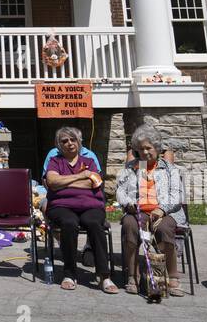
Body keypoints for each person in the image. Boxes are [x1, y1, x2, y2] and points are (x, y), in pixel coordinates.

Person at [44, 126, 118, 292]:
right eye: (64, 141)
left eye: (73, 140)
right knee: (69, 223)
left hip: (90, 205)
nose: (69, 143)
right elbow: (52, 183)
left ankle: (104, 276)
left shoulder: (90, 161)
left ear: (79, 142)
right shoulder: (55, 161)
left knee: (94, 223)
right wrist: (80, 176)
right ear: (59, 145)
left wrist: (65, 182)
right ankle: (70, 273)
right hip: (61, 206)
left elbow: (95, 183)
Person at [116, 124, 187, 296]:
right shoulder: (131, 168)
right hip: (138, 211)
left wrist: (162, 209)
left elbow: (177, 195)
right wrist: (128, 203)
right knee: (129, 226)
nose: (145, 152)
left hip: (167, 213)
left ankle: (172, 276)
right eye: (141, 149)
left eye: (149, 148)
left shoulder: (170, 169)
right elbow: (120, 190)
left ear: (157, 147)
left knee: (164, 229)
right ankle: (132, 276)